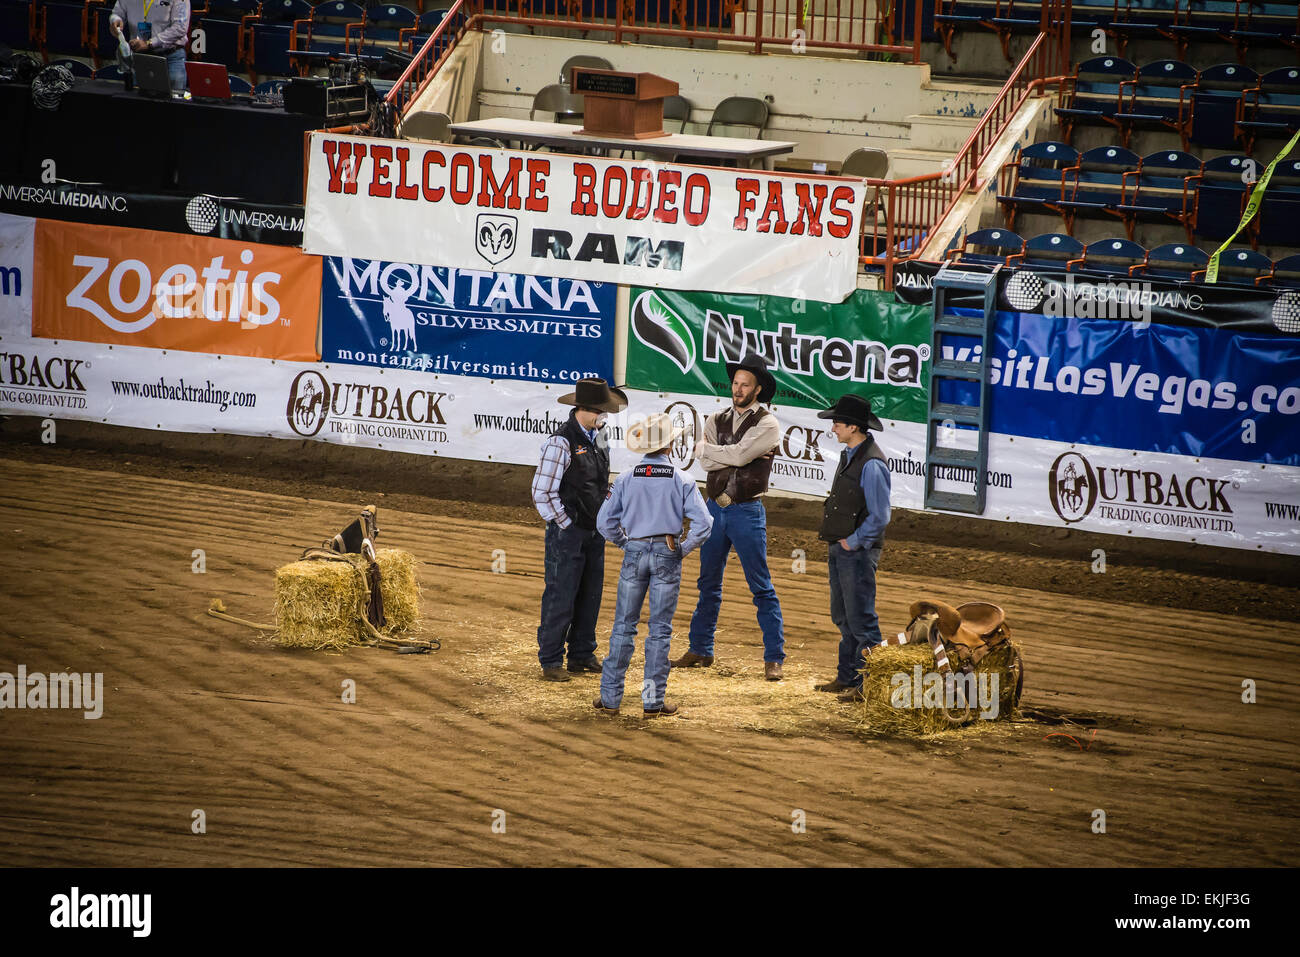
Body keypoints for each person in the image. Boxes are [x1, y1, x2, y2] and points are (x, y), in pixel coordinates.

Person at [674, 354, 786, 680]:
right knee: (707, 582)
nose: (738, 389)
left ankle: (774, 657)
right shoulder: (716, 418)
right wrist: (730, 457)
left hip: (746, 509)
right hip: (714, 508)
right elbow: (708, 464)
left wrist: (715, 452)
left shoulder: (767, 423)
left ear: (758, 389)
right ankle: (700, 648)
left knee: (760, 585)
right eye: (736, 383)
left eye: (745, 384)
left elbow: (732, 456)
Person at [593, 413, 712, 718]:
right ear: (669, 444)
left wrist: (625, 543)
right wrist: (682, 549)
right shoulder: (682, 479)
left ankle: (610, 698)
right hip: (666, 551)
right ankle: (651, 701)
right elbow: (704, 523)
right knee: (659, 630)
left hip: (634, 549)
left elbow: (604, 522)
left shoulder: (626, 476)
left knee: (623, 626)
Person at [531, 378, 627, 682]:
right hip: (570, 531)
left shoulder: (598, 437)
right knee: (561, 594)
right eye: (603, 410)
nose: (606, 416)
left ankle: (581, 654)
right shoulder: (561, 441)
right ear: (586, 409)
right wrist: (565, 523)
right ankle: (550, 659)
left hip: (593, 529)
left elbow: (598, 483)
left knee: (590, 593)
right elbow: (542, 491)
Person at [812, 394, 892, 703]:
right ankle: (848, 677)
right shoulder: (853, 455)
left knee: (861, 620)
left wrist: (854, 541)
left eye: (837, 422)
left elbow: (881, 516)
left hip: (855, 551)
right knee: (845, 617)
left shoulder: (871, 463)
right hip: (843, 547)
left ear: (853, 427)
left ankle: (867, 685)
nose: (833, 427)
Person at [109, 0, 192, 92]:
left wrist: (150, 43)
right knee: (140, 101)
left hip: (170, 57)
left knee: (174, 102)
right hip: (140, 58)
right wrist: (115, 20)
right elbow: (117, 13)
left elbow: (180, 28)